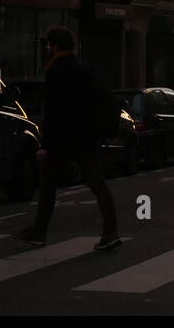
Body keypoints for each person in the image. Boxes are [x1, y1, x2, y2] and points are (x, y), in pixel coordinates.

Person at [13, 27, 121, 251]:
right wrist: (104, 131)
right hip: (86, 139)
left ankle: (39, 232)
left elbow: (55, 113)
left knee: (47, 186)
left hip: (63, 141)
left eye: (49, 45)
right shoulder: (85, 70)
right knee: (98, 185)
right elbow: (107, 100)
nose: (47, 49)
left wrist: (46, 145)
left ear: (54, 46)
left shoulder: (55, 71)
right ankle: (111, 231)